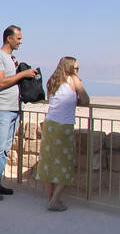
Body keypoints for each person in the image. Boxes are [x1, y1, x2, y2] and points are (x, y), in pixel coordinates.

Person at [0, 24, 37, 200]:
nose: (21, 41)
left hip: (14, 108)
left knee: (5, 149)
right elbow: (1, 82)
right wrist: (23, 74)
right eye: (18, 38)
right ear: (9, 38)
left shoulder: (11, 58)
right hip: (3, 109)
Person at [38, 57, 92, 211]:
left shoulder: (52, 80)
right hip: (64, 127)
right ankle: (54, 200)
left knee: (48, 162)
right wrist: (76, 101)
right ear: (69, 68)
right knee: (66, 163)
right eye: (76, 68)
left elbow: (52, 100)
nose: (77, 71)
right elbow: (86, 100)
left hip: (50, 125)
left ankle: (50, 200)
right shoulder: (74, 80)